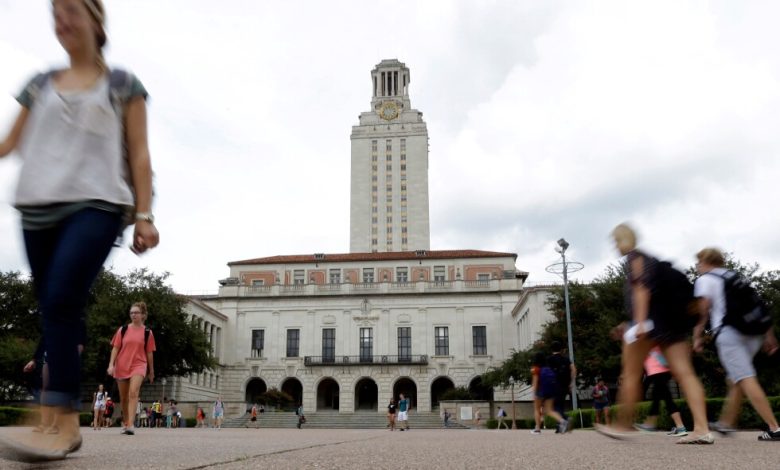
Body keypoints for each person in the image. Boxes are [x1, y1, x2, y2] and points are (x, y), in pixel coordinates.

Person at [0, 0, 158, 460]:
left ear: (95, 18)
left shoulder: (122, 84)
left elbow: (140, 153)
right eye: (54, 12)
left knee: (65, 295)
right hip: (36, 208)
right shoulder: (39, 84)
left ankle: (60, 421)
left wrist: (144, 214)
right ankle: (59, 420)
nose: (61, 19)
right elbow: (10, 142)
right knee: (54, 307)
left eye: (70, 8)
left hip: (97, 203)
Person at [596, 223, 712, 444]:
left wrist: (638, 323)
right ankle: (702, 429)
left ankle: (623, 424)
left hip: (650, 324)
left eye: (615, 241)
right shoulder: (653, 261)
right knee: (685, 374)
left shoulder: (635, 257)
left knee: (630, 374)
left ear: (622, 240)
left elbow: (641, 289)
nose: (614, 246)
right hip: (671, 324)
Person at [693, 247, 780, 441]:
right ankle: (727, 423)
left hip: (729, 334)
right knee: (735, 379)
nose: (697, 266)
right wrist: (769, 336)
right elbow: (758, 306)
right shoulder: (735, 277)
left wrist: (697, 335)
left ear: (707, 261)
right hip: (754, 334)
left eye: (699, 262)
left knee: (745, 378)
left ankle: (775, 428)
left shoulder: (705, 279)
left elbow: (703, 312)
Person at [107, 302, 156, 435]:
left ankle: (131, 425)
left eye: (136, 312)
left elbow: (149, 353)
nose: (133, 315)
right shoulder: (122, 330)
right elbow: (115, 348)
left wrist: (151, 371)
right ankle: (126, 422)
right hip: (122, 365)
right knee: (123, 398)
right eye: (131, 312)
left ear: (143, 315)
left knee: (133, 393)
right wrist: (111, 365)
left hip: (139, 365)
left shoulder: (147, 332)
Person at [634, 347, 688, 436]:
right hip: (657, 370)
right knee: (660, 397)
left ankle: (679, 427)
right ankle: (678, 426)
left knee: (665, 399)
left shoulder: (651, 338)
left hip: (659, 370)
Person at [531, 352, 571, 435]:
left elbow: (535, 383)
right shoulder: (548, 368)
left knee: (537, 410)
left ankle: (537, 429)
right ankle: (563, 421)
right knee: (549, 410)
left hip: (540, 391)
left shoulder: (536, 369)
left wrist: (533, 393)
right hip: (550, 391)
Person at [547, 341, 576, 418]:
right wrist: (571, 382)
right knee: (561, 405)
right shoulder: (566, 359)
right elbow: (573, 369)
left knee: (555, 406)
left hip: (554, 386)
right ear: (561, 349)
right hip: (565, 386)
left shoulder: (549, 359)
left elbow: (547, 373)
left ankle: (565, 420)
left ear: (551, 349)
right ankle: (560, 426)